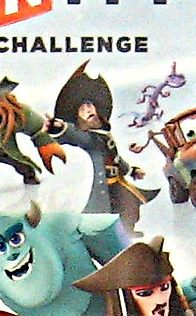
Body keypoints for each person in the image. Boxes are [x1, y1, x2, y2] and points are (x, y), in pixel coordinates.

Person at [46, 63, 158, 234]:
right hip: (100, 184)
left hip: (116, 180)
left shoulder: (104, 133)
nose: (88, 110)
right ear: (78, 118)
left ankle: (127, 231)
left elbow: (115, 157)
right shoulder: (88, 137)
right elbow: (74, 134)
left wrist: (130, 170)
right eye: (82, 109)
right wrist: (59, 127)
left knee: (130, 205)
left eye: (89, 106)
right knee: (102, 214)